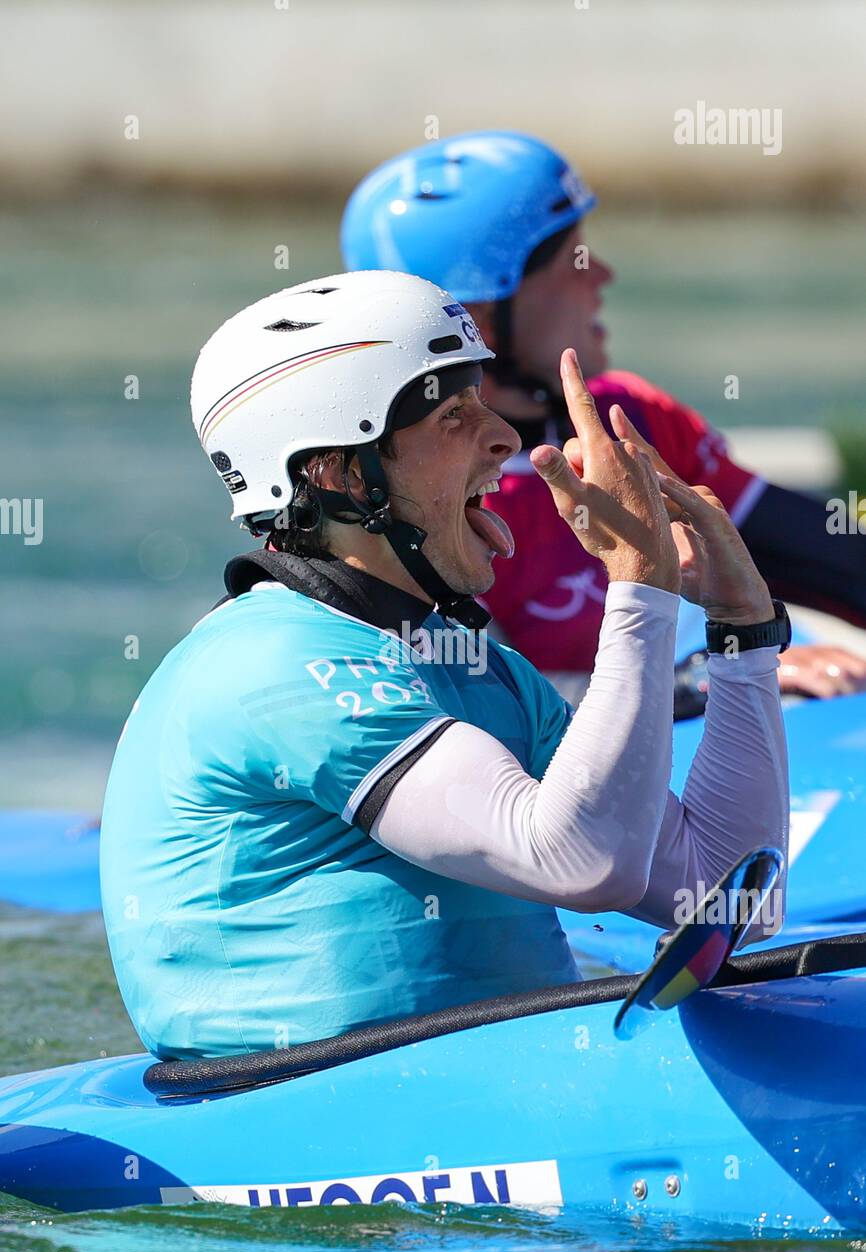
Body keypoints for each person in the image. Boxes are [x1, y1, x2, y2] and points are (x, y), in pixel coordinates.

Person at [99, 270, 788, 1060]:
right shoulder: (273, 665)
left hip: (491, 1083)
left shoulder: (485, 673)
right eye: (454, 415)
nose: (505, 439)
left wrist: (742, 635)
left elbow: (725, 899)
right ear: (339, 473)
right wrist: (639, 587)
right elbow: (582, 863)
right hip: (294, 1103)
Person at [341, 130, 866, 711]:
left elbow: (834, 559)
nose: (603, 276)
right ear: (480, 318)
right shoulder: (423, 499)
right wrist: (696, 681)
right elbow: (487, 707)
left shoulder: (631, 416)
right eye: (574, 261)